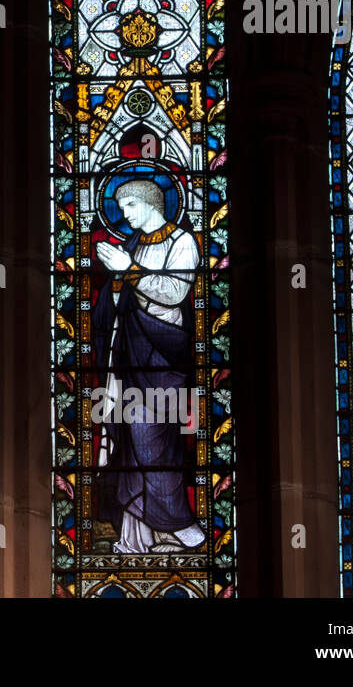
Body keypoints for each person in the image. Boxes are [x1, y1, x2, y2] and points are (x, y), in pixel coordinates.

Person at [93, 177, 206, 553]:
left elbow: (175, 293)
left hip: (163, 355)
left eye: (129, 207)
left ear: (149, 204)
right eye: (120, 209)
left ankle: (179, 525)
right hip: (131, 353)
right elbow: (119, 298)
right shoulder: (133, 244)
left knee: (155, 442)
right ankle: (138, 536)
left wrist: (129, 270)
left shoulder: (183, 243)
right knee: (131, 441)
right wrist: (114, 283)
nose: (123, 216)